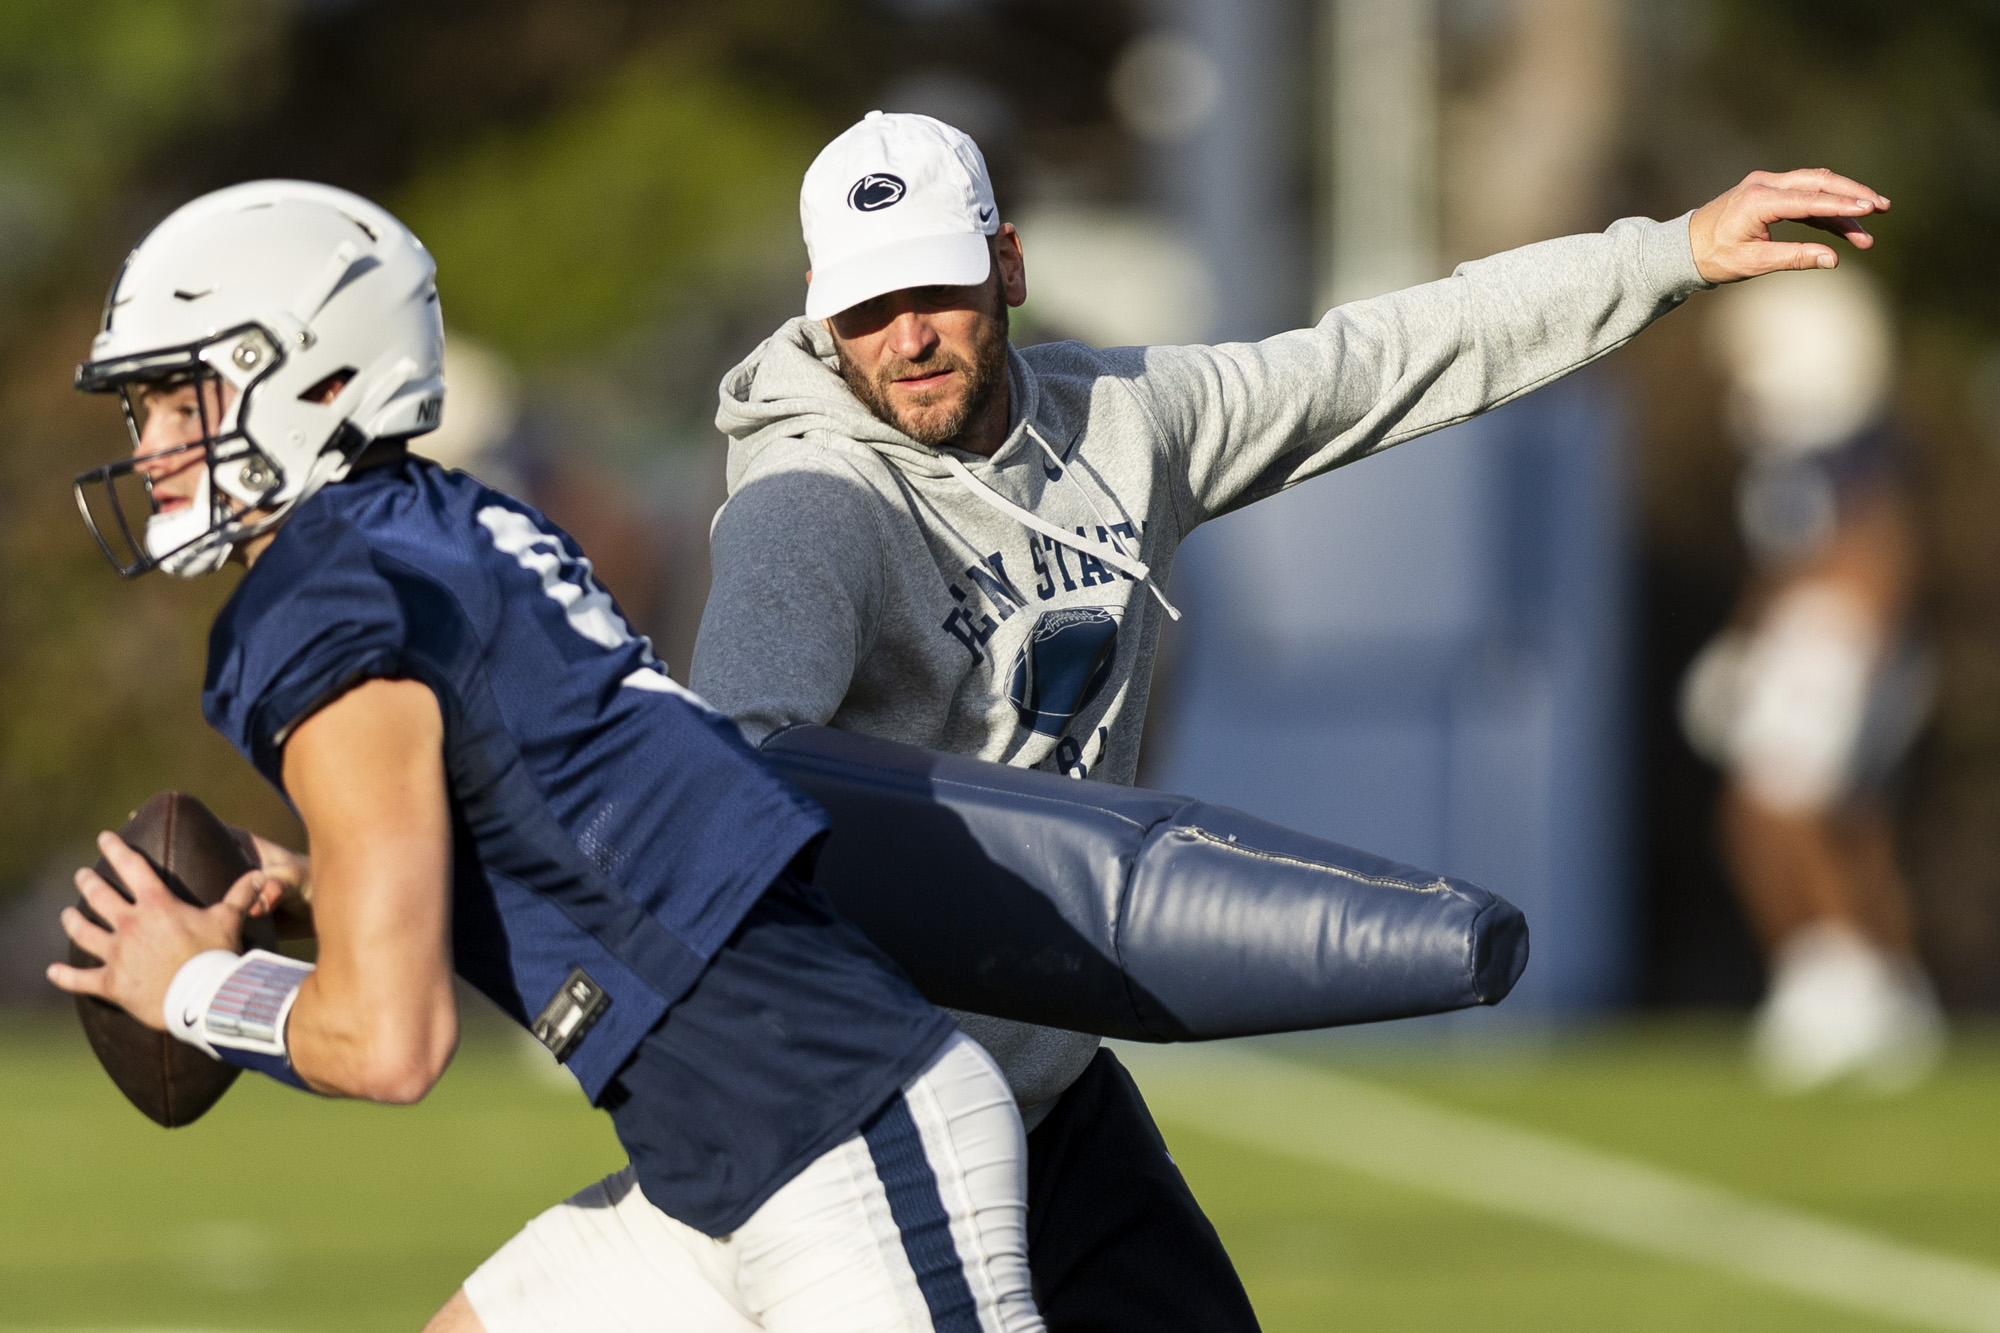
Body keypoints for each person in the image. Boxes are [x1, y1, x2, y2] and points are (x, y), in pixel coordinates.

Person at [689, 110, 1891, 1330]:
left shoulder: (1124, 423)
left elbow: (1384, 354)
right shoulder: (810, 500)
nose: (906, 337)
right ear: (815, 308)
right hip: (863, 1128)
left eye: (937, 290)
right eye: (864, 307)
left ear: (1006, 262)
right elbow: (721, 783)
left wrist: (1669, 250)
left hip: (1048, 1097)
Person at [48, 179, 1046, 1333]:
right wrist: (327, 891)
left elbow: (390, 1040)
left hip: (836, 1135)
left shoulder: (321, 595)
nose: (155, 448)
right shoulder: (432, 526)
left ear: (316, 378)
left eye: (185, 400)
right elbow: (574, 845)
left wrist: (183, 986)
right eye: (144, 413)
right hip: (728, 1159)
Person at [1679, 267, 1944, 1092]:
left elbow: (1878, 552)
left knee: (1765, 811)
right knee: (1843, 823)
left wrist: (1844, 644)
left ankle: (1833, 982)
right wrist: (1747, 639)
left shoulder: (1849, 448)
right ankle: (1891, 995)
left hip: (1842, 640)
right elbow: (1785, 563)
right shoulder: (1796, 452)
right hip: (1818, 638)